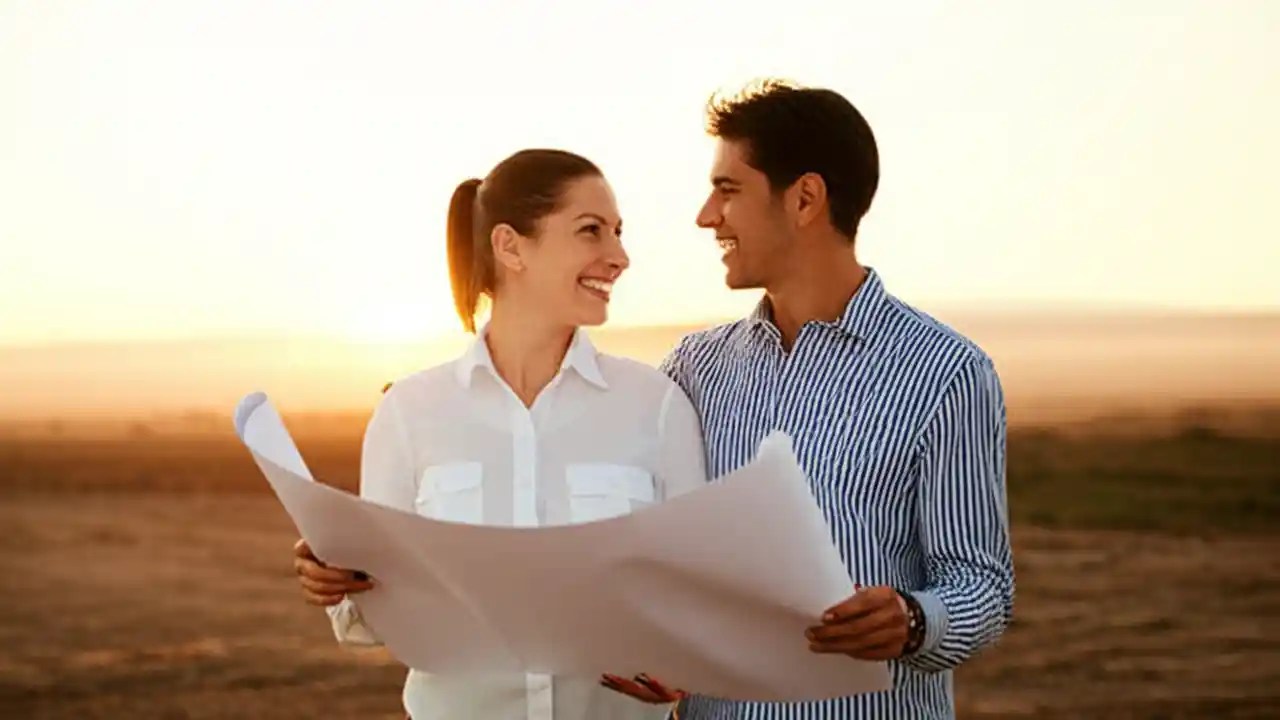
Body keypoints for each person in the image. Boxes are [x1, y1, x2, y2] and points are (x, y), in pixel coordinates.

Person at [630, 80, 1016, 719]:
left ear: (805, 198)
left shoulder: (947, 372)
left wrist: (913, 621)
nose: (706, 215)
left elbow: (983, 587)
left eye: (728, 190)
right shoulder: (693, 371)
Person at [290, 148, 707, 720]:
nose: (619, 256)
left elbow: (699, 594)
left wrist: (684, 661)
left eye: (617, 232)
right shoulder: (409, 411)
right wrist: (337, 576)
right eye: (591, 231)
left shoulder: (656, 406)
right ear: (510, 246)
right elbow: (366, 622)